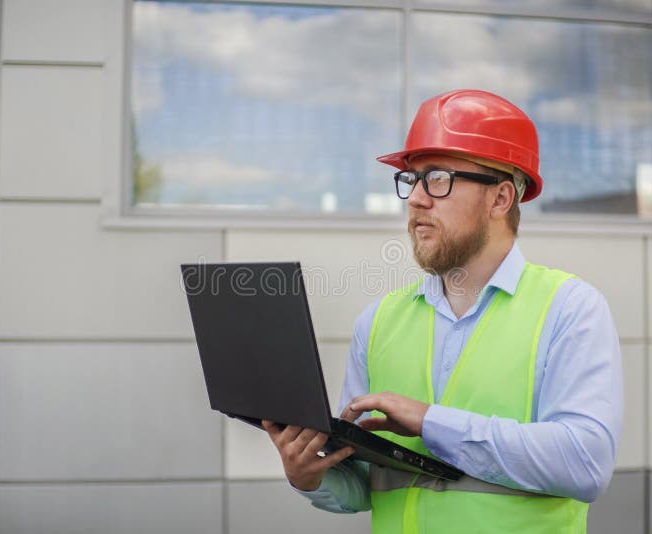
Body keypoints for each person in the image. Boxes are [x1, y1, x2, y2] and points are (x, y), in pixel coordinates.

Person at [262, 89, 623, 533]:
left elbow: (585, 463)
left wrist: (430, 421)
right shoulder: (377, 323)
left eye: (437, 178)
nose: (415, 199)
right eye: (412, 180)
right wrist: (310, 475)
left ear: (500, 199)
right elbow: (364, 484)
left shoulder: (569, 309)